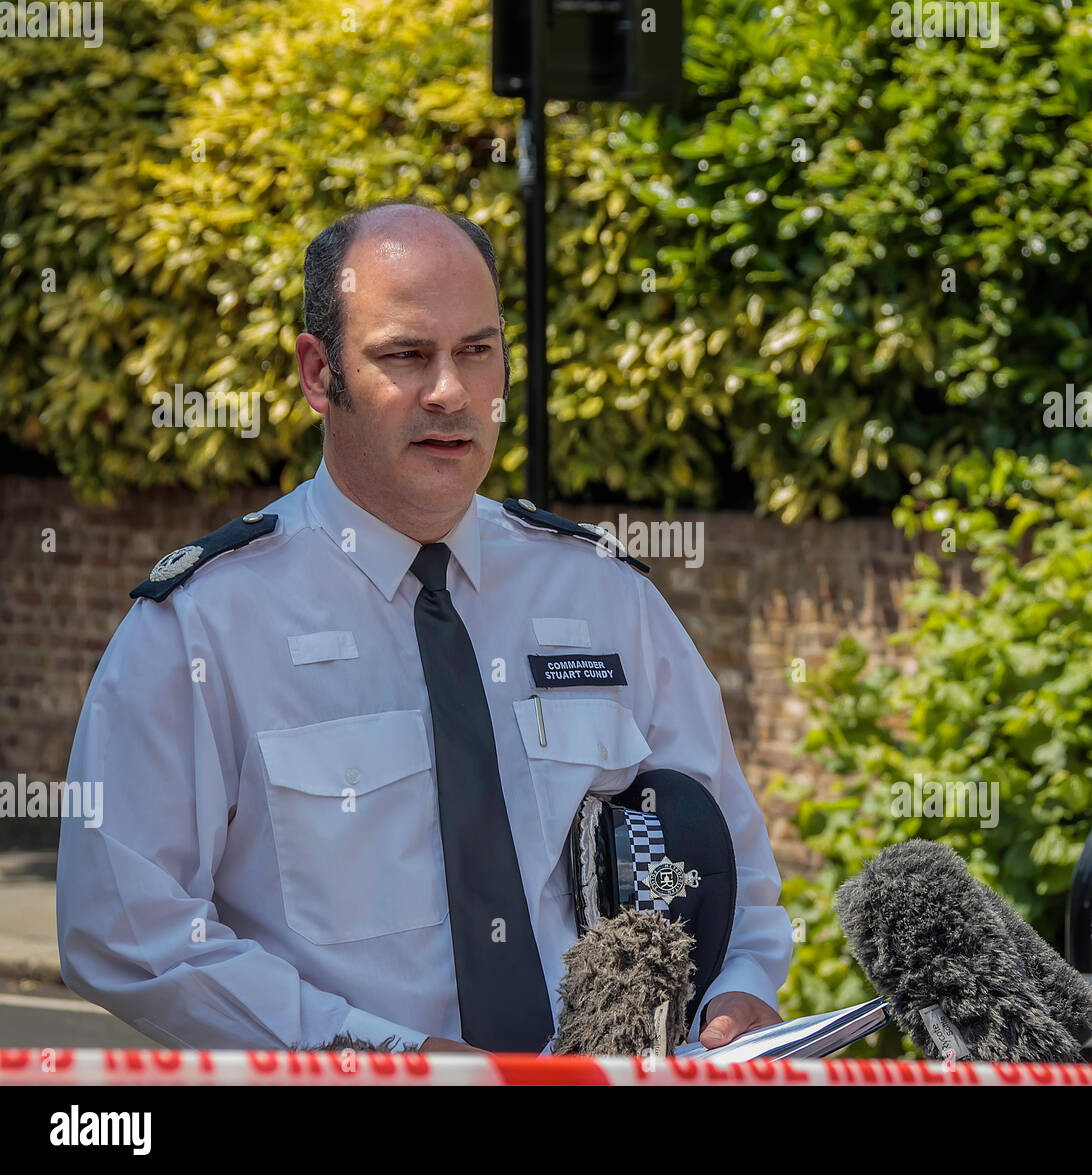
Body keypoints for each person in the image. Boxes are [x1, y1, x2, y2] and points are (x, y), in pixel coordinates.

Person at [56, 199, 792, 1054]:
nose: (450, 392)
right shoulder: (203, 628)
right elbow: (126, 927)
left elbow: (731, 853)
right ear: (317, 372)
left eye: (477, 352)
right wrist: (376, 1057)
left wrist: (739, 993)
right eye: (406, 355)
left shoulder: (604, 594)